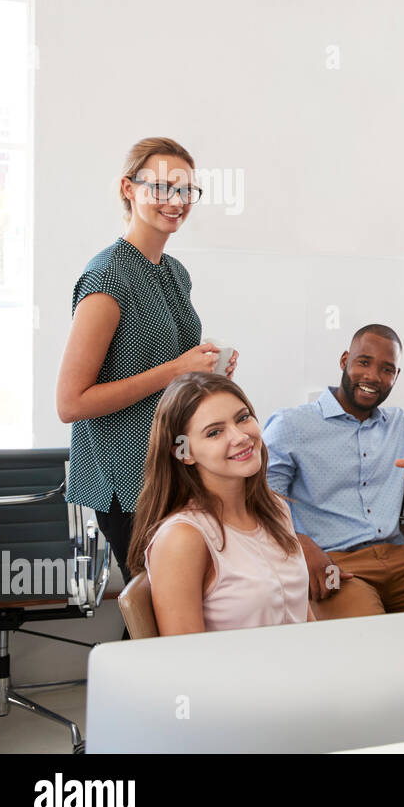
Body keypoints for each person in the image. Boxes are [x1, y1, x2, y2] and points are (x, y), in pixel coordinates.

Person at [57, 137, 236, 586]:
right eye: (160, 187)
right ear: (128, 188)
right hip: (128, 484)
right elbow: (71, 403)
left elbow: (171, 372)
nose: (175, 202)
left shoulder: (174, 271)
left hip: (174, 472)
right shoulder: (106, 278)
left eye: (185, 191)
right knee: (162, 616)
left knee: (182, 608)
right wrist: (176, 370)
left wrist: (206, 376)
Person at [262, 324, 404, 620]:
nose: (373, 377)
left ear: (396, 376)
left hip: (403, 559)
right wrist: (299, 543)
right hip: (334, 562)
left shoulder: (399, 423)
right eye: (364, 362)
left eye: (387, 369)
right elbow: (260, 501)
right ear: (344, 361)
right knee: (367, 644)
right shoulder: (291, 425)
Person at [127, 373, 310, 634]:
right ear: (185, 453)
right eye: (214, 432)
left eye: (243, 418)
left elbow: (305, 618)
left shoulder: (276, 508)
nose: (240, 437)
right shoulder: (182, 538)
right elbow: (186, 659)